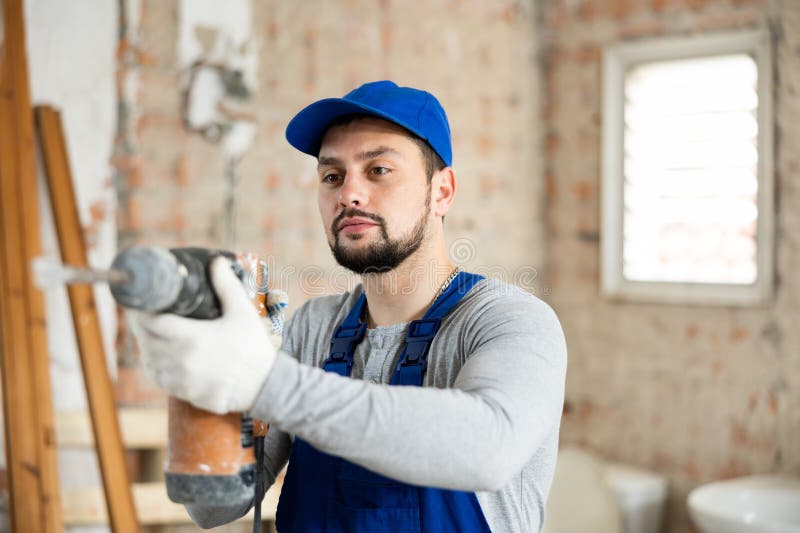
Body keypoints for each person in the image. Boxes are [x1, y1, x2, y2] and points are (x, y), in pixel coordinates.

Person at [131, 80, 567, 532]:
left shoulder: (510, 321)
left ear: (442, 192)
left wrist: (264, 380)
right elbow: (214, 508)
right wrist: (199, 375)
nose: (348, 194)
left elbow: (488, 451)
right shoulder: (314, 327)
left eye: (378, 170)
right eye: (332, 176)